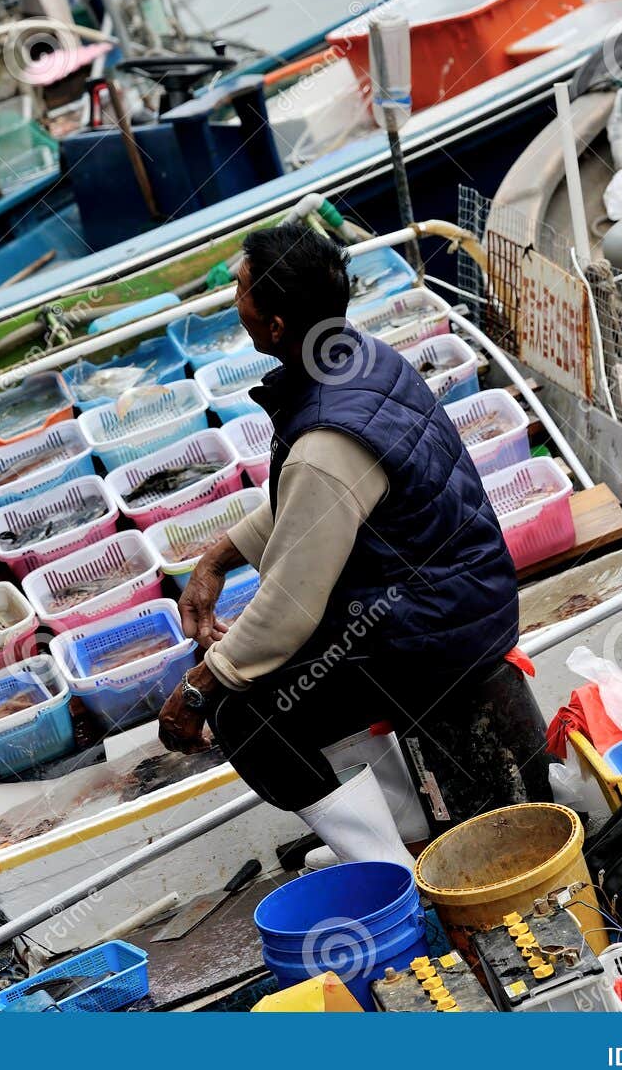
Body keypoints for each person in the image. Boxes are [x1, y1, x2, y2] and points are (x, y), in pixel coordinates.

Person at [155, 223, 553, 869]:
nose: (235, 295)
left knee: (245, 715)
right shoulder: (357, 357)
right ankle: (397, 819)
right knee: (268, 673)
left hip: (434, 636)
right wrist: (214, 559)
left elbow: (289, 608)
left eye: (241, 288)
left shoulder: (324, 441)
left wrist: (200, 686)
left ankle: (387, 868)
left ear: (276, 325)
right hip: (452, 601)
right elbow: (309, 512)